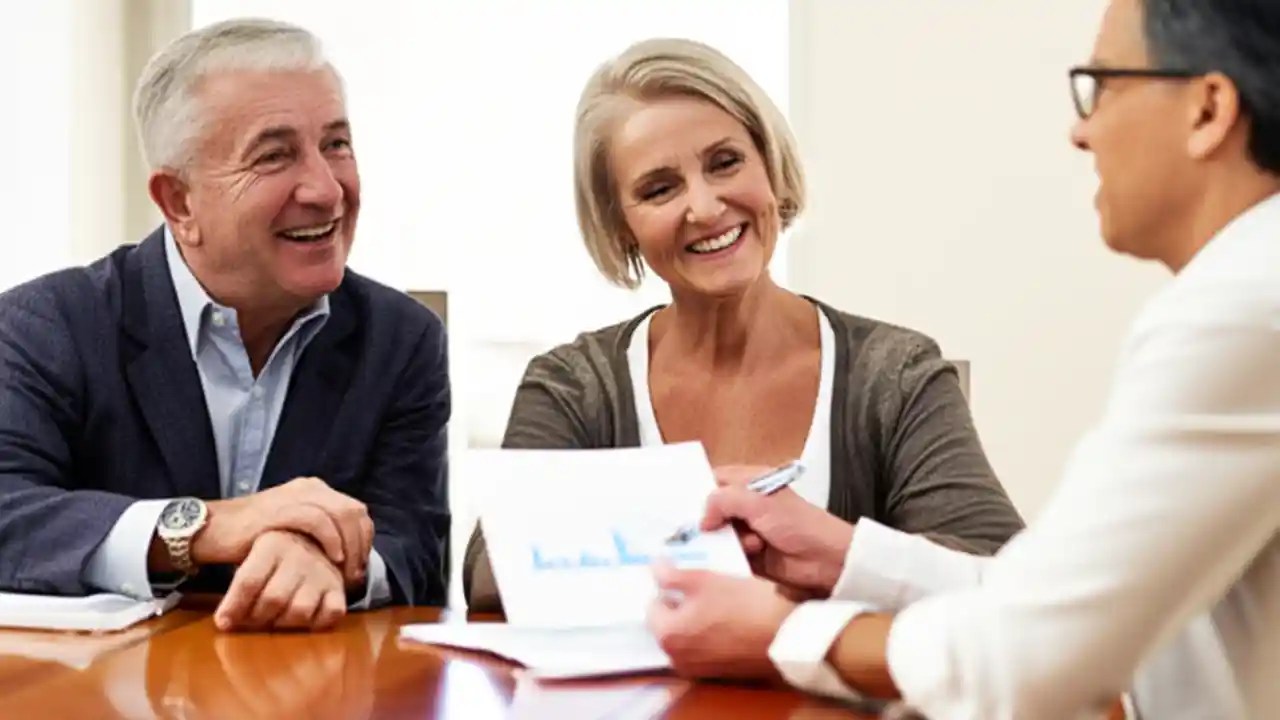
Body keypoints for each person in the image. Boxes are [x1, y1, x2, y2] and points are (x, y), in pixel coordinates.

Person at [646, 1, 1280, 718]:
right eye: (658, 188)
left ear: (1208, 109)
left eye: (1101, 84)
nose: (1081, 130)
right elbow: (1049, 606)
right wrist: (844, 555)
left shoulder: (1241, 308)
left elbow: (1032, 656)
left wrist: (784, 633)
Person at [462, 38, 1023, 612]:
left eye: (725, 163)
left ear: (771, 166)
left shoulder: (895, 374)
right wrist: (720, 540)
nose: (704, 207)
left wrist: (809, 562)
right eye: (660, 189)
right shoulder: (572, 387)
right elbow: (488, 574)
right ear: (621, 226)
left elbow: (994, 565)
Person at [0, 19, 451, 631]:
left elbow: (416, 543)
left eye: (337, 144)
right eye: (274, 156)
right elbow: (9, 512)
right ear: (179, 202)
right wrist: (203, 528)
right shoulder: (46, 327)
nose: (326, 189)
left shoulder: (402, 341)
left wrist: (329, 558)